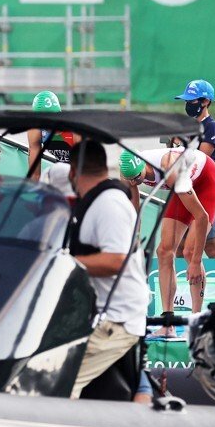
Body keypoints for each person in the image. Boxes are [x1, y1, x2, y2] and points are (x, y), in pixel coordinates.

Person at [66, 140, 148, 400]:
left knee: (58, 380)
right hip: (96, 315)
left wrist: (61, 262)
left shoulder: (109, 204)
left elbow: (115, 261)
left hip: (117, 320)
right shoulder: (91, 201)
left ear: (72, 172)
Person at [118, 147, 215, 326]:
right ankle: (169, 321)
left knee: (190, 251)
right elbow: (135, 212)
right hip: (182, 185)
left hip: (206, 180)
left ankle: (196, 319)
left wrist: (196, 261)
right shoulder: (127, 174)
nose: (135, 182)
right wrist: (134, 244)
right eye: (131, 180)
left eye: (138, 177)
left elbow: (202, 216)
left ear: (144, 166)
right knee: (164, 251)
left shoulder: (171, 169)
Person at [175, 79, 215, 259]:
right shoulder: (186, 126)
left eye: (192, 101)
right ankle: (180, 283)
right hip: (185, 188)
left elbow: (201, 159)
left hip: (205, 189)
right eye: (186, 101)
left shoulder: (211, 127)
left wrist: (181, 145)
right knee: (179, 246)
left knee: (210, 247)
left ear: (205, 102)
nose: (188, 105)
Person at [26, 91, 77, 180]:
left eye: (49, 118)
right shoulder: (35, 130)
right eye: (41, 119)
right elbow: (35, 174)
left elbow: (85, 170)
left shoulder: (74, 130)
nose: (45, 123)